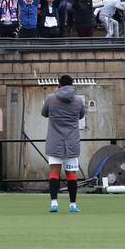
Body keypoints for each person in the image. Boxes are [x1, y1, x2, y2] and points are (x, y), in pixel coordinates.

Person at [42, 75, 86, 213]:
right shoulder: (78, 100)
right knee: (71, 174)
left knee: (54, 173)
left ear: (59, 84)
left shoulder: (50, 99)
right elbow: (81, 116)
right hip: (72, 141)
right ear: (72, 84)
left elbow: (44, 114)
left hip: (55, 141)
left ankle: (54, 203)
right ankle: (72, 204)